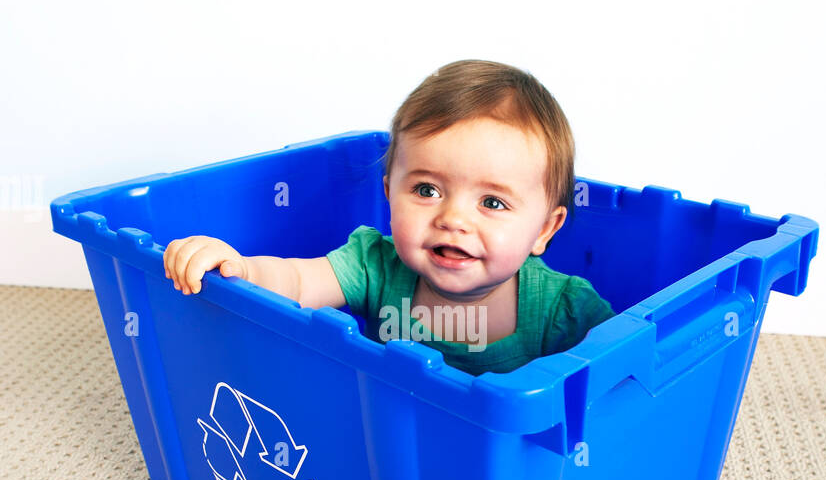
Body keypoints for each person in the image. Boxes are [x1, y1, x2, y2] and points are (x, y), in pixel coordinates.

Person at [162, 59, 615, 375]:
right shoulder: (373, 265)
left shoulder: (564, 309)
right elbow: (298, 281)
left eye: (492, 203)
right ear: (388, 195)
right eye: (426, 190)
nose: (452, 218)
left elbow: (620, 379)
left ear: (543, 230)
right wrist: (240, 268)